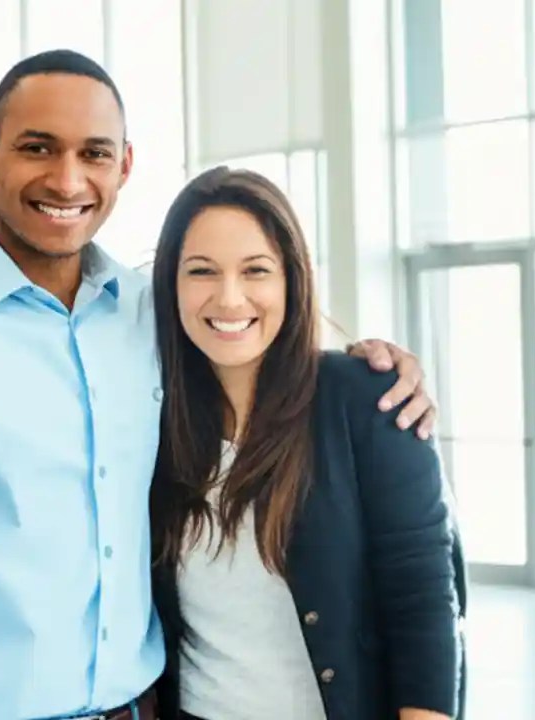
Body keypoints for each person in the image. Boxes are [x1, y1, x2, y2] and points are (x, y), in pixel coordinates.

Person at [0, 49, 438, 720]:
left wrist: (363, 366)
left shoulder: (145, 313)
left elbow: (245, 336)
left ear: (124, 167)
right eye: (37, 147)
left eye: (93, 154)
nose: (67, 180)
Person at [146, 166, 465, 720]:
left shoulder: (368, 400)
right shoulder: (152, 417)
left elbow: (423, 602)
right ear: (169, 284)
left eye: (256, 271)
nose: (229, 297)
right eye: (201, 271)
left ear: (292, 280)